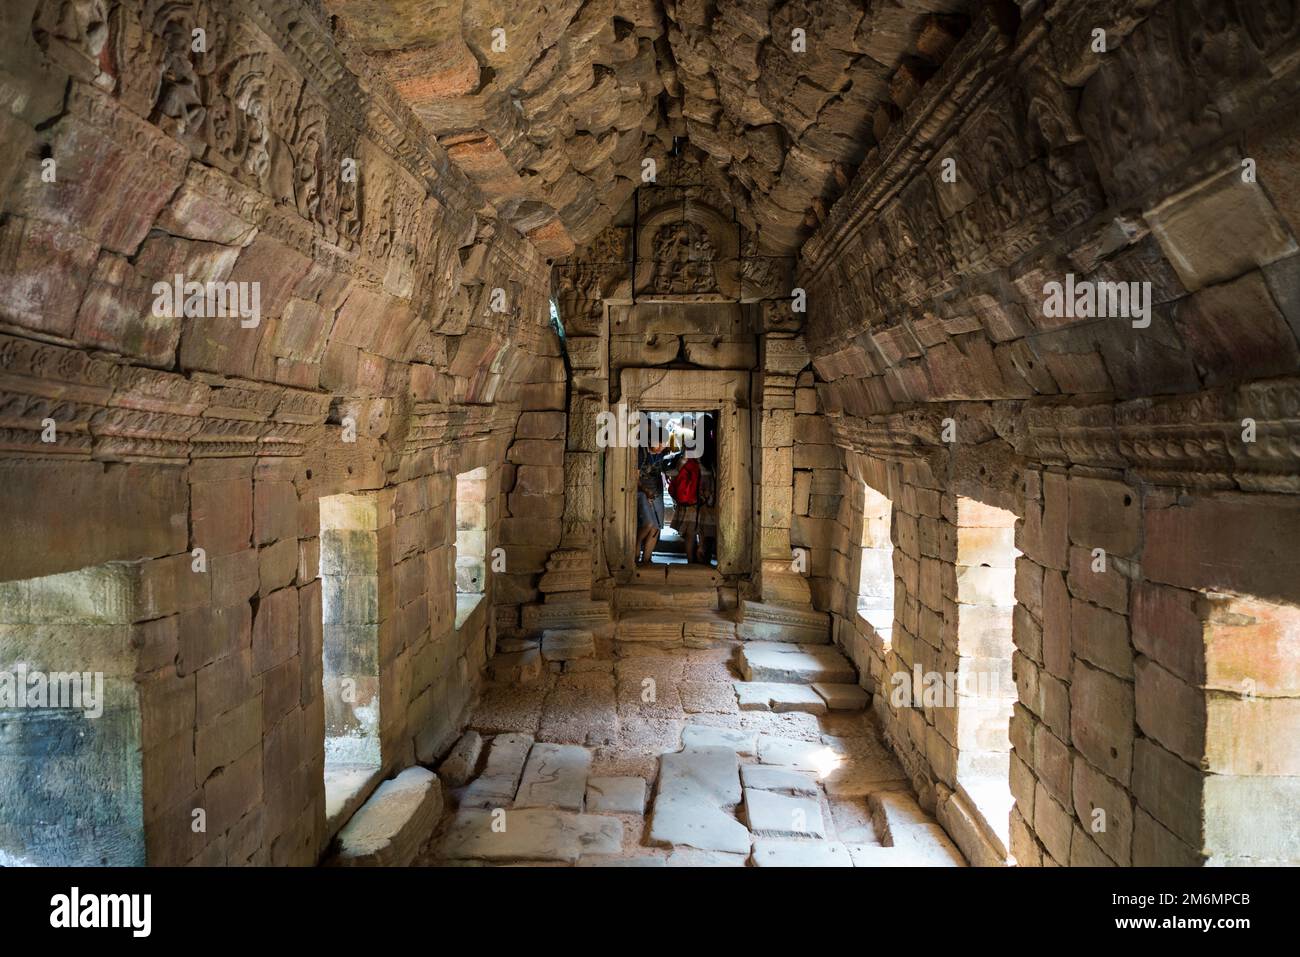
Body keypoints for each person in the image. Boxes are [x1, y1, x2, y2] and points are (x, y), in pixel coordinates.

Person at [635, 441, 674, 565]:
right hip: (641, 493)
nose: (662, 447)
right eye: (660, 444)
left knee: (656, 527)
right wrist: (646, 492)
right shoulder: (641, 453)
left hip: (657, 493)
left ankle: (647, 559)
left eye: (664, 444)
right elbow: (634, 478)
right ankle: (635, 549)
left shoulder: (662, 454)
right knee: (648, 524)